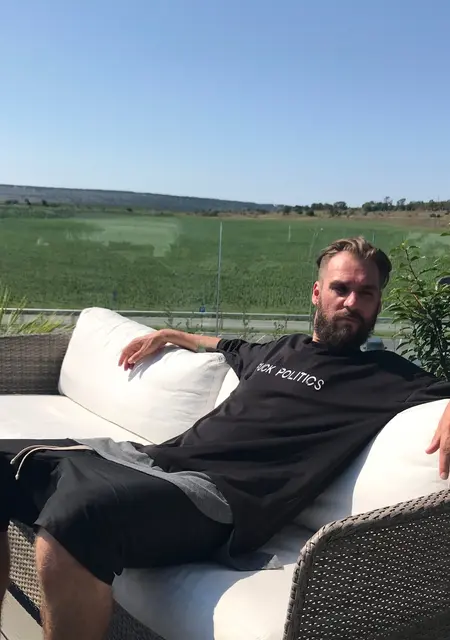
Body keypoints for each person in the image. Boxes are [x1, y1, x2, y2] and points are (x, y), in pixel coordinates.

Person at [1, 236, 450, 640]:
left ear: (377, 303)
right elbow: (223, 345)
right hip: (150, 461)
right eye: (341, 288)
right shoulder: (281, 348)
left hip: (217, 499)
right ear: (317, 293)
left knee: (80, 517)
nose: (351, 302)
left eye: (366, 292)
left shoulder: (389, 376)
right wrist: (171, 335)